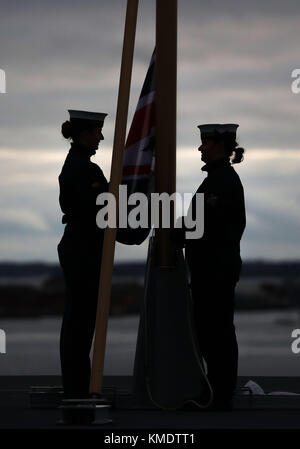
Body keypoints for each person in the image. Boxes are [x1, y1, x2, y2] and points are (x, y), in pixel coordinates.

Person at [181, 123, 246, 409]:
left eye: (205, 143)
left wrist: (174, 233)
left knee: (215, 331)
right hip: (212, 269)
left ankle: (219, 394)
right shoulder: (217, 179)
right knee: (211, 330)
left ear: (220, 146)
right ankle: (216, 389)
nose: (200, 148)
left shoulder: (222, 182)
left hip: (215, 270)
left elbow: (204, 226)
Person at [57, 109, 109, 395]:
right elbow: (102, 211)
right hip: (84, 249)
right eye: (96, 131)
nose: (101, 136)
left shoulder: (78, 164)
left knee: (79, 322)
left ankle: (78, 386)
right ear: (84, 133)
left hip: (80, 246)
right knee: (80, 324)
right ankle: (77, 390)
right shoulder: (83, 169)